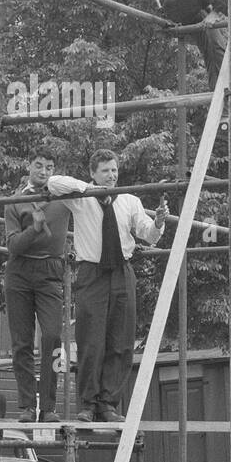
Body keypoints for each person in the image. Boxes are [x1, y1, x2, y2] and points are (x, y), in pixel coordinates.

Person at [48, 150, 168, 422]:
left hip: (122, 271)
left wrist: (158, 222)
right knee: (91, 340)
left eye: (114, 170)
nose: (112, 176)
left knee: (122, 341)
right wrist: (89, 189)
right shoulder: (82, 199)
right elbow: (54, 183)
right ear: (93, 173)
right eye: (105, 171)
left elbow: (148, 235)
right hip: (92, 273)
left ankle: (108, 404)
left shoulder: (129, 200)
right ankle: (88, 404)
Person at [3, 149, 70, 422]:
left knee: (52, 336)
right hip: (19, 270)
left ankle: (49, 407)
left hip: (50, 270)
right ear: (29, 167)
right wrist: (35, 227)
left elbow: (94, 192)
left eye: (49, 167)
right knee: (21, 342)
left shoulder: (64, 198)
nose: (43, 172)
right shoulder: (16, 201)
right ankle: (28, 406)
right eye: (39, 166)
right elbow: (12, 245)